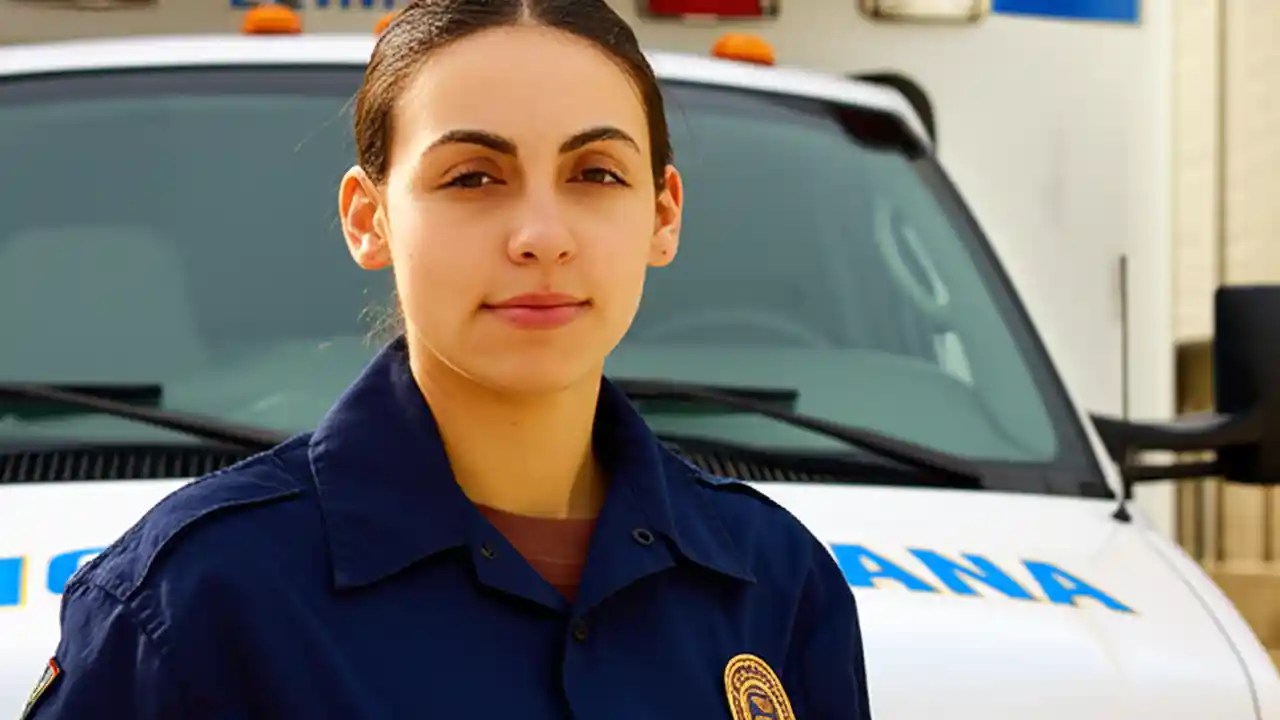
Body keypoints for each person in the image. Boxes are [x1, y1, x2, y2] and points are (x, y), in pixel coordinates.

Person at [20, 1, 872, 718]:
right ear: (368, 218)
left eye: (596, 173)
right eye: (472, 178)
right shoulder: (196, 602)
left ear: (663, 213)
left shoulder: (775, 581)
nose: (541, 236)